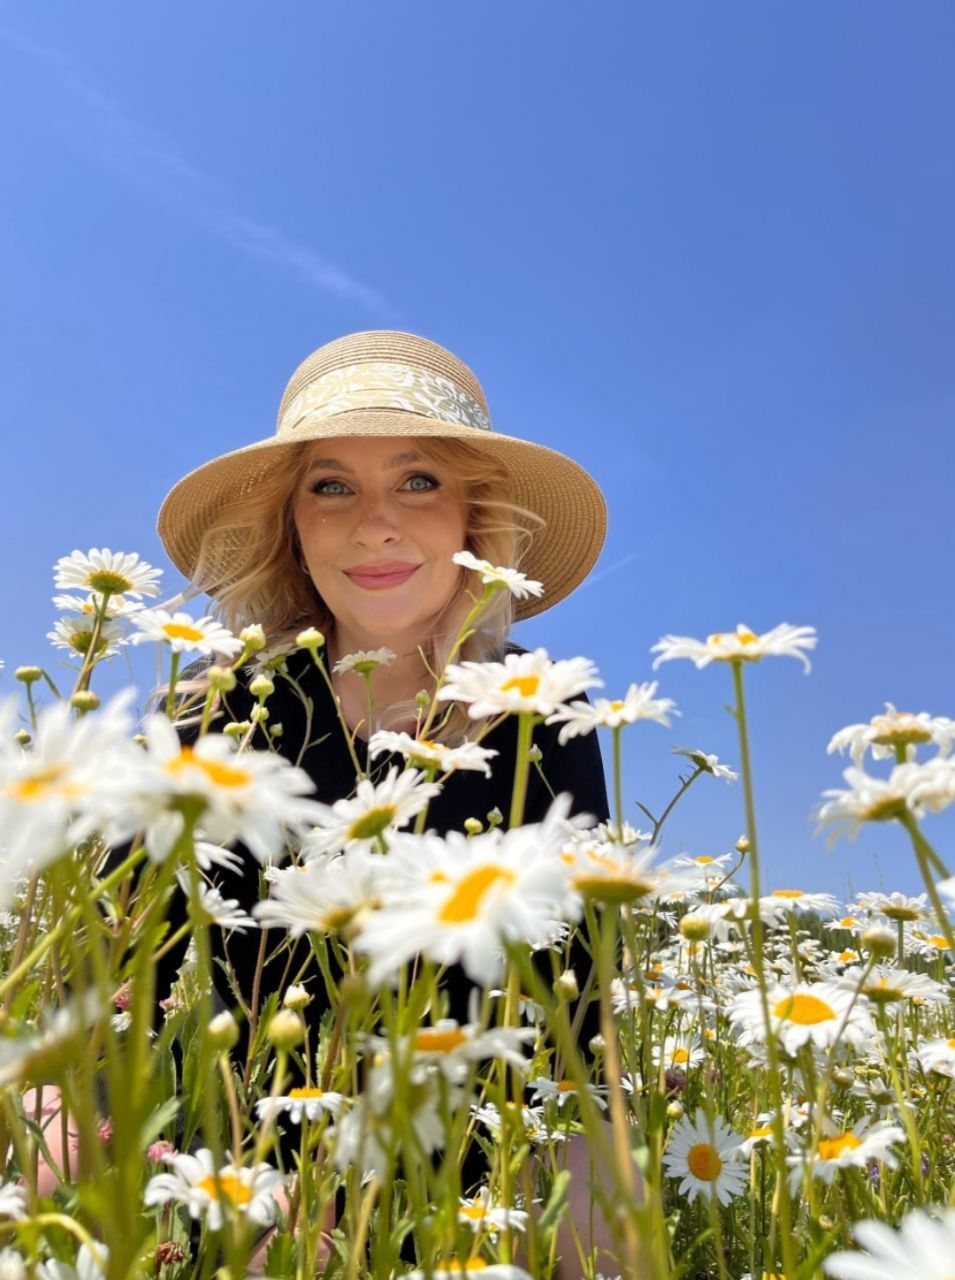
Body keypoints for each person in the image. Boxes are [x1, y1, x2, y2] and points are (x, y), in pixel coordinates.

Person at [32, 330, 623, 1275]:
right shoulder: (206, 717)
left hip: (459, 1212)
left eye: (419, 480)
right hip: (197, 1193)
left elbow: (574, 1036)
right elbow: (94, 1019)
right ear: (292, 524)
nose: (373, 525)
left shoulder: (541, 713)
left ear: (475, 516)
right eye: (331, 486)